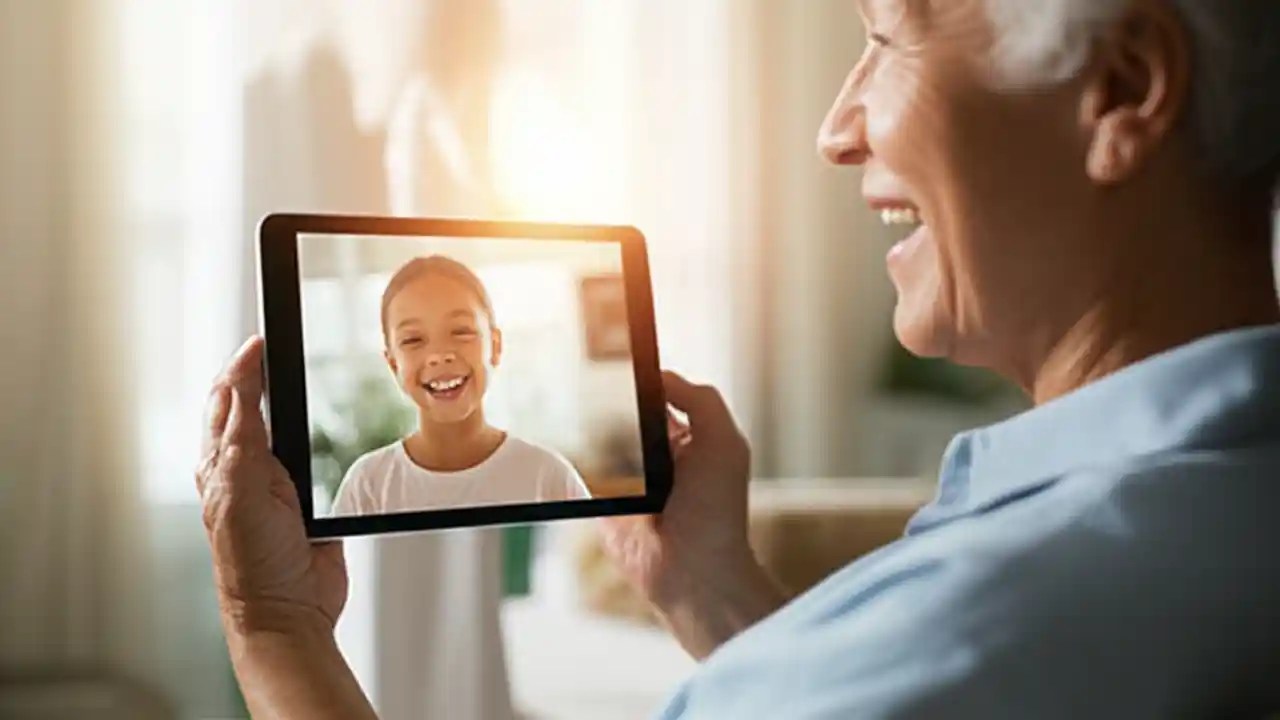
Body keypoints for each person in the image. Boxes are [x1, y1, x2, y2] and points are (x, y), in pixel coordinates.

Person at [195, 0, 1280, 717]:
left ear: (1122, 90)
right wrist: (714, 597)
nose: (834, 127)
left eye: (889, 37)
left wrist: (274, 629)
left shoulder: (996, 616)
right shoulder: (1220, 520)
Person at [331, 255, 590, 516]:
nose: (440, 354)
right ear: (393, 364)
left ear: (496, 346)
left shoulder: (547, 476)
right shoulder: (368, 485)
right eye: (412, 339)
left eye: (461, 332)